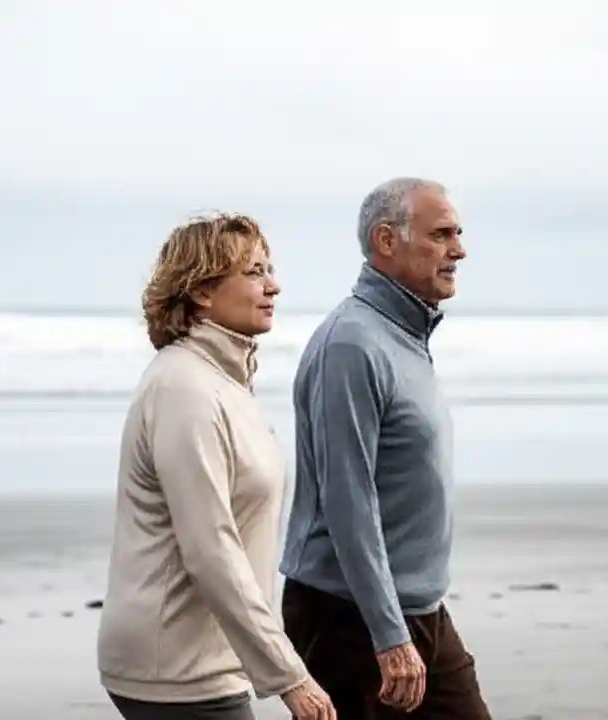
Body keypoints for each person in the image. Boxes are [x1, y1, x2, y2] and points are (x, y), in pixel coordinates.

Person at [97, 213, 336, 720]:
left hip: (207, 658)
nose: (273, 285)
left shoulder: (225, 382)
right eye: (253, 272)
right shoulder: (186, 389)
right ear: (202, 291)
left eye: (268, 269)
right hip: (174, 669)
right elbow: (211, 549)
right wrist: (290, 677)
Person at [279, 178, 492, 718]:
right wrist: (389, 635)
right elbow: (348, 502)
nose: (459, 249)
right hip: (349, 618)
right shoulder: (352, 345)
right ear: (386, 241)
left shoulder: (404, 335)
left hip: (417, 611)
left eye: (458, 234)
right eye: (441, 234)